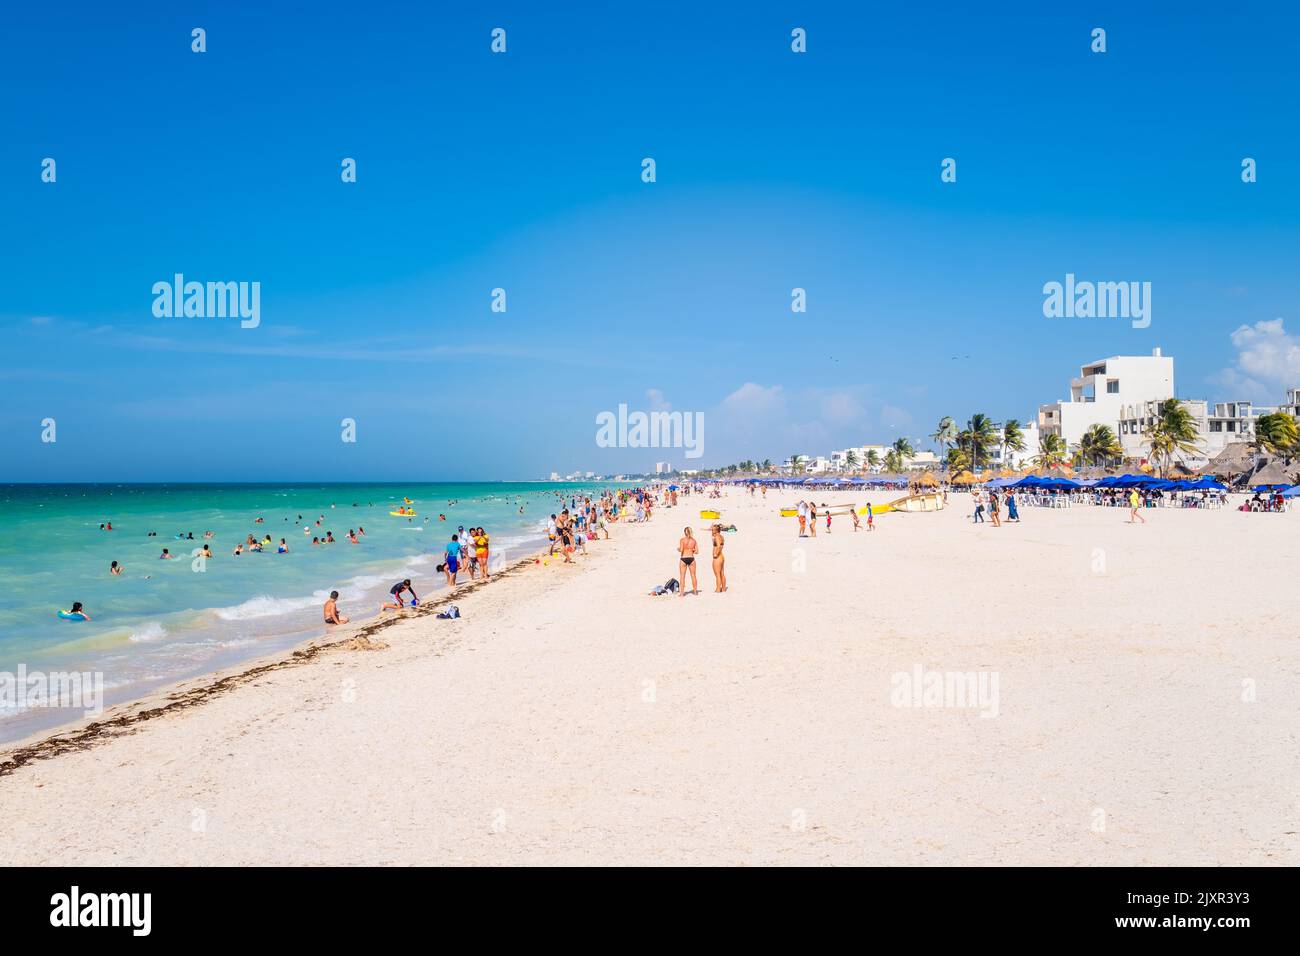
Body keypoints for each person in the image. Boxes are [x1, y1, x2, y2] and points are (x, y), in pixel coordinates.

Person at [678, 527, 699, 597]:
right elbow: (696, 552)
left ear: (684, 532)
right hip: (691, 558)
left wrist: (678, 549)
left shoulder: (682, 540)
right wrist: (692, 550)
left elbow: (681, 550)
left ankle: (681, 593)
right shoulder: (694, 541)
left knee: (682, 576)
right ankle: (695, 592)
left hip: (684, 558)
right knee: (693, 575)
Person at [710, 524, 727, 593]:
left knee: (717, 574)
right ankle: (723, 588)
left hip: (718, 558)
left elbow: (719, 546)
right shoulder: (721, 536)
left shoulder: (717, 537)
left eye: (713, 529)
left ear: (716, 530)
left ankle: (718, 589)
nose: (712, 530)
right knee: (722, 573)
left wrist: (716, 554)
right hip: (721, 557)